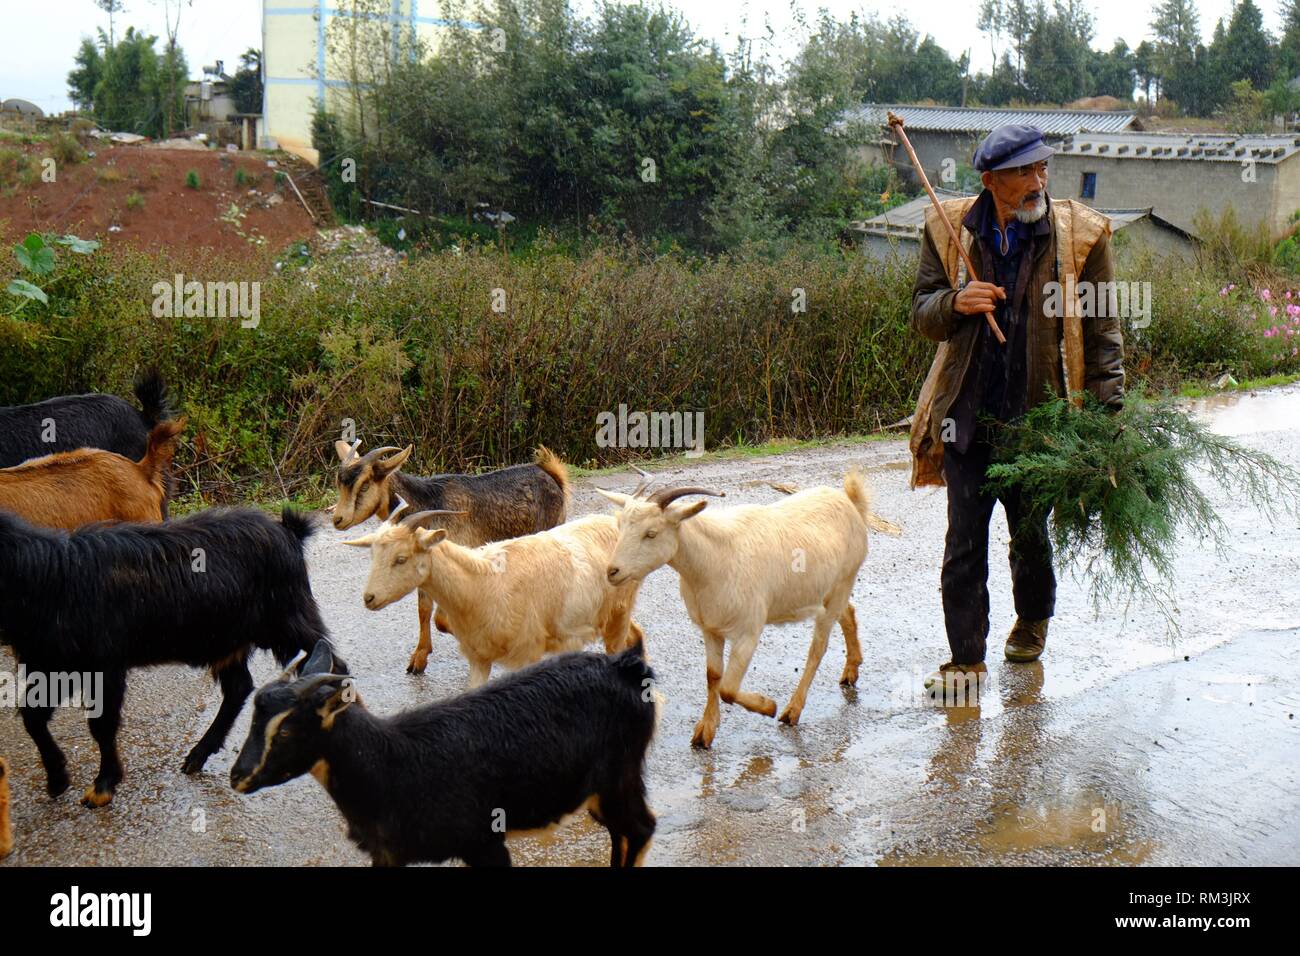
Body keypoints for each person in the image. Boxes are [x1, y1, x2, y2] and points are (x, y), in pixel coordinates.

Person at [907, 124, 1125, 691]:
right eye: (1022, 173)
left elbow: (1104, 333)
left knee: (1030, 535)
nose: (1037, 182)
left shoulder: (1081, 234)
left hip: (1040, 418)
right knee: (963, 543)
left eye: (1042, 169)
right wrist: (956, 302)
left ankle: (1031, 621)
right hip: (967, 416)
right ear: (990, 180)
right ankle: (966, 660)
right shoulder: (948, 227)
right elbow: (921, 311)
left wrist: (1106, 424)